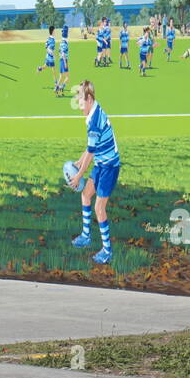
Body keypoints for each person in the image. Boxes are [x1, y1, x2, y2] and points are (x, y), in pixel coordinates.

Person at [68, 80, 119, 266]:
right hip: (101, 164)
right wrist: (78, 162)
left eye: (80, 101)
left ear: (88, 99)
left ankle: (107, 250)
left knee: (99, 208)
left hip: (109, 167)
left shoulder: (94, 121)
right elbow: (90, 148)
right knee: (86, 194)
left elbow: (90, 152)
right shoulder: (93, 113)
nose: (79, 105)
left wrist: (79, 174)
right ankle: (86, 236)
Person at [56, 25, 70, 96]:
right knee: (67, 78)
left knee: (61, 77)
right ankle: (61, 87)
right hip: (64, 60)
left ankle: (57, 89)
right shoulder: (65, 43)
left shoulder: (61, 42)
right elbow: (64, 53)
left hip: (60, 60)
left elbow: (59, 51)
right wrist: (65, 63)